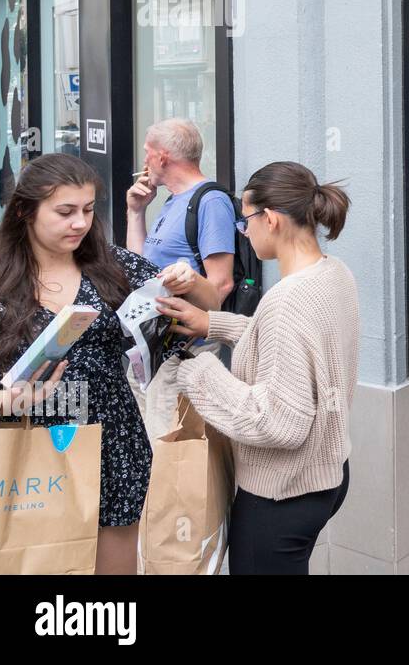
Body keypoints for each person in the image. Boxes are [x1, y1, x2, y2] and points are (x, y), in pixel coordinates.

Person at [0, 154, 219, 574]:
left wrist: (193, 282)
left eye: (88, 210)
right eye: (65, 212)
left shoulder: (114, 266)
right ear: (24, 211)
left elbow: (206, 308)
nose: (80, 223)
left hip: (114, 441)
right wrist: (5, 400)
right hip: (26, 450)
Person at [156, 162, 359, 575]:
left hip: (280, 494)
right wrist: (213, 323)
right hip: (327, 474)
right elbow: (295, 348)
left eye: (245, 220)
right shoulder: (333, 273)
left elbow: (278, 422)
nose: (243, 231)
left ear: (271, 219)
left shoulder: (287, 300)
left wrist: (197, 371)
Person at [126, 118, 236, 303]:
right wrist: (136, 211)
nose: (145, 161)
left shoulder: (211, 201)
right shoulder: (175, 199)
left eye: (147, 153)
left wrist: (186, 327)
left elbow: (221, 284)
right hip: (156, 320)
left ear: (162, 158)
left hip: (184, 327)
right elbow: (139, 264)